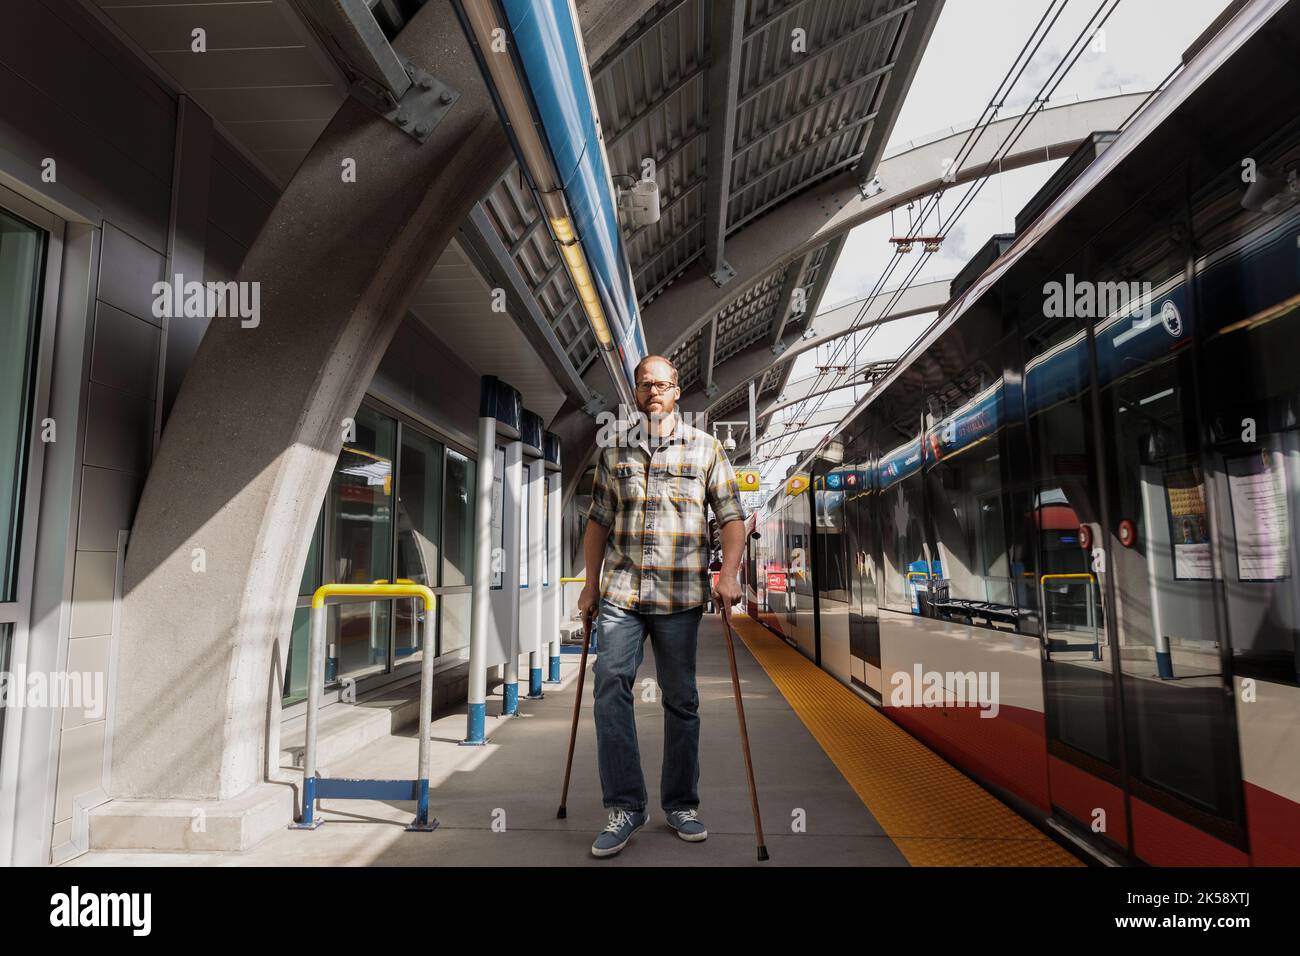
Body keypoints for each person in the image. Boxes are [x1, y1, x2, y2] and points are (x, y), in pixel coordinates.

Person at [577, 354, 747, 858]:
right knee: (609, 689)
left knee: (682, 700)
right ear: (635, 392)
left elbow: (732, 518)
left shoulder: (706, 449)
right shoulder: (614, 452)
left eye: (662, 384)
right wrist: (591, 585)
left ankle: (680, 804)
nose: (654, 391)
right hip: (622, 594)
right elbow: (597, 524)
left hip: (680, 597)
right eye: (645, 384)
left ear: (678, 392)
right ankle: (626, 806)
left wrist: (730, 574)